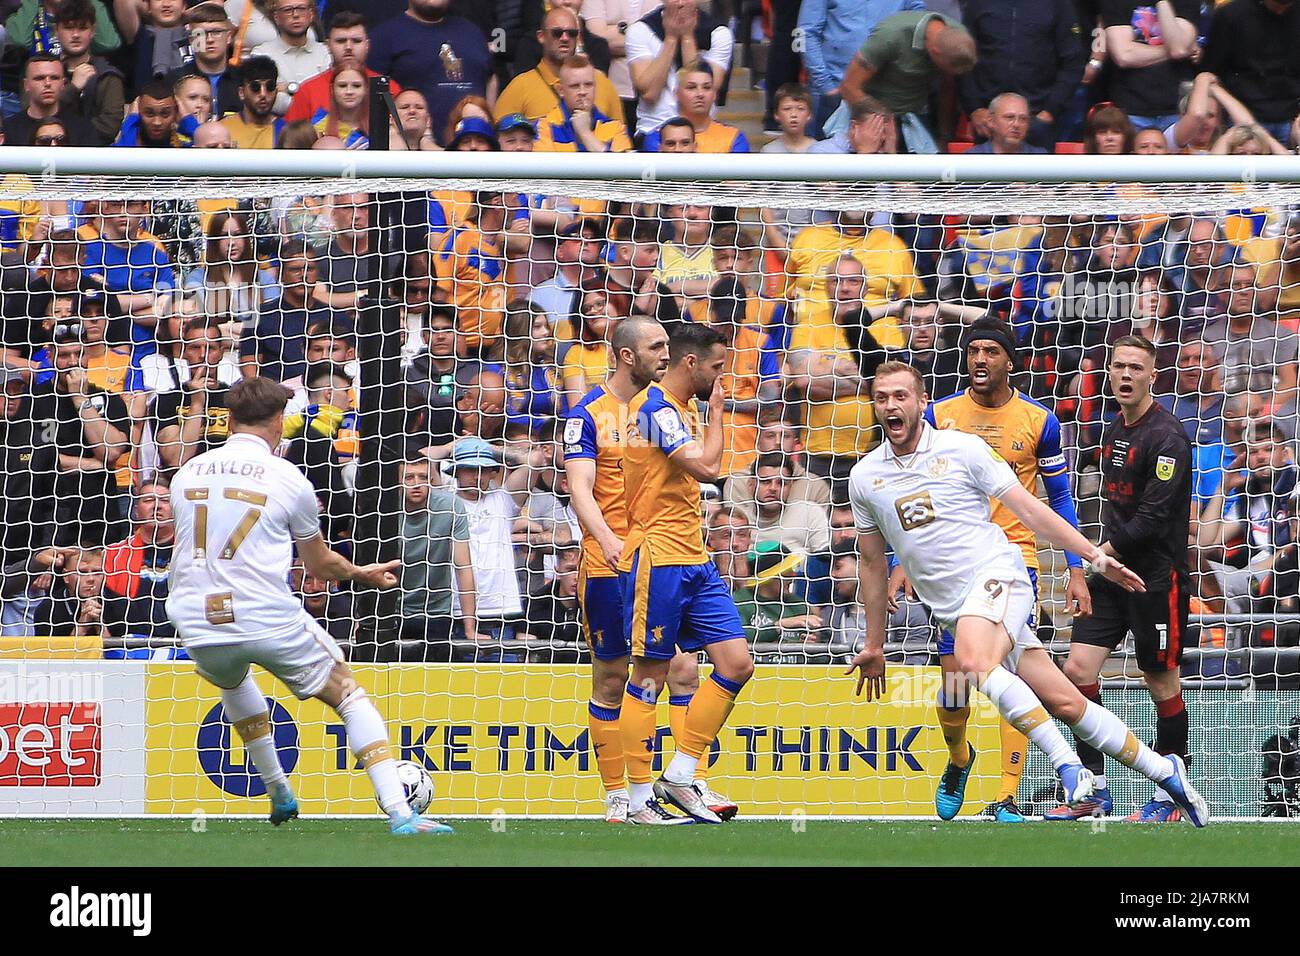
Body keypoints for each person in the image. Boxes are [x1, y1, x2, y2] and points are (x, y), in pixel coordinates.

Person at [845, 360, 1208, 826]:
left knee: (974, 664)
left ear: (921, 403)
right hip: (952, 609)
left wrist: (1093, 559)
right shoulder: (865, 477)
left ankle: (1068, 770)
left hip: (1001, 575)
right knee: (1057, 702)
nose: (891, 406)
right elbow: (874, 563)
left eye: (900, 396)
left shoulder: (964, 450)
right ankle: (1167, 772)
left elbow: (1035, 512)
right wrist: (874, 643)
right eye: (882, 398)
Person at [166, 376, 453, 835]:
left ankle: (278, 790)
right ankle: (401, 813)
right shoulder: (287, 479)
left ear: (230, 420)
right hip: (263, 611)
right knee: (348, 694)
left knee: (233, 679)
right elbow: (319, 565)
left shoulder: (186, 474)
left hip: (195, 616)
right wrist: (363, 573)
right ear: (280, 421)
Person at [895, 317, 1090, 823]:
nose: (980, 359)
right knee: (956, 685)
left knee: (1008, 673)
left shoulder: (1039, 421)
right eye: (973, 350)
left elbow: (1060, 497)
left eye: (991, 351)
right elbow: (910, 488)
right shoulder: (938, 415)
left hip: (1013, 559)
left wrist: (1075, 567)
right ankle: (959, 758)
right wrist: (900, 560)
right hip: (951, 561)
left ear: (1010, 360)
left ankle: (1006, 793)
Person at [564, 316, 732, 824]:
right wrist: (610, 541)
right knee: (614, 679)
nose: (665, 353)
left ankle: (687, 781)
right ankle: (621, 793)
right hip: (608, 561)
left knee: (682, 666)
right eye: (655, 345)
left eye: (667, 344)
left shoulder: (671, 409)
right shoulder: (588, 414)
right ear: (626, 356)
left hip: (658, 557)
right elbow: (579, 487)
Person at [1047, 336, 1196, 823]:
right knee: (1077, 673)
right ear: (1109, 373)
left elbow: (1153, 519)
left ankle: (1171, 796)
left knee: (1160, 681)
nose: (1126, 375)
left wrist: (1094, 556)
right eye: (1119, 366)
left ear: (1153, 375)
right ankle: (1094, 788)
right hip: (1112, 575)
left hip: (1155, 579)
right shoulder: (1114, 428)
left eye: (1136, 367)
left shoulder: (1168, 437)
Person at [617, 321, 755, 824]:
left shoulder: (682, 408)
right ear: (692, 363)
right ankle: (635, 802)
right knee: (650, 676)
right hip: (659, 559)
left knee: (737, 663)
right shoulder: (653, 409)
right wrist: (719, 415)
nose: (723, 378)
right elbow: (707, 468)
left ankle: (680, 775)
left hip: (694, 559)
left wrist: (708, 411)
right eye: (718, 367)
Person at [836, 8, 976, 152]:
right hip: (870, 113)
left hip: (915, 116)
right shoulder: (891, 35)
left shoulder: (959, 39)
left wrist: (944, 136)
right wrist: (880, 123)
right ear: (935, 51)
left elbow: (949, 87)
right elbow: (849, 87)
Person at [959, 0, 1084, 149]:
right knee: (988, 173)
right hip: (989, 121)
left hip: (1038, 119)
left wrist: (1050, 111)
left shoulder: (1058, 4)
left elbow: (1073, 61)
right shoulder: (977, 3)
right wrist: (974, 109)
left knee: (1038, 173)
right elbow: (962, 58)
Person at [367, 0, 493, 146]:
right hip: (415, 154)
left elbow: (491, 78)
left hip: (473, 148)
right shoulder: (384, 37)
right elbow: (372, 97)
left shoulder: (473, 32)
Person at [797, 0, 924, 137]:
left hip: (887, 90)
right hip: (834, 88)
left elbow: (918, 24)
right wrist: (825, 85)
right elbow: (805, 33)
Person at [396, 456, 478, 655]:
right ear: (397, 481)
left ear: (431, 480)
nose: (416, 484)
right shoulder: (384, 508)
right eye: (409, 477)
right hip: (392, 610)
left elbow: (463, 567)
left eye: (422, 477)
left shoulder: (450, 506)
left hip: (436, 610)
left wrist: (470, 628)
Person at [495, 6, 622, 123]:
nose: (565, 38)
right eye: (557, 33)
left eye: (572, 33)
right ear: (541, 36)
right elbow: (502, 137)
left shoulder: (601, 83)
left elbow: (620, 136)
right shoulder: (520, 87)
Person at [625, 0, 733, 137]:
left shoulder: (719, 33)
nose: (680, 3)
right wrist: (671, 38)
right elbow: (649, 94)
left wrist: (688, 37)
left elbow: (706, 94)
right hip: (654, 129)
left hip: (701, 131)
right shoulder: (640, 30)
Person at [285, 11, 400, 124]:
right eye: (341, 41)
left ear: (367, 45)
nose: (348, 47)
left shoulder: (389, 89)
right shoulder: (307, 92)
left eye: (356, 41)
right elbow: (292, 140)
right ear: (328, 45)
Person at [1102, 1, 1200, 132]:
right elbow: (1124, 55)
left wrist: (1161, 2)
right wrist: (1179, 50)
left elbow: (1178, 48)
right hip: (1131, 108)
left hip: (1176, 109)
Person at [53, 0, 126, 145]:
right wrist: (73, 88)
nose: (75, 35)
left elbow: (109, 127)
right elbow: (36, 116)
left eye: (82, 28)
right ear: (56, 31)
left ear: (92, 31)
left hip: (96, 160)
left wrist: (63, 136)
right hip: (48, 157)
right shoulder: (44, 71)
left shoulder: (109, 75)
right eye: (68, 28)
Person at [534, 54, 633, 153]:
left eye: (588, 85)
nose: (583, 92)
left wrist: (585, 133)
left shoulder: (616, 128)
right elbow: (546, 168)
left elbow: (619, 168)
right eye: (575, 86)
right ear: (561, 90)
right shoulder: (543, 127)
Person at [640, 62, 748, 152]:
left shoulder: (733, 137)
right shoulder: (657, 137)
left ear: (714, 94)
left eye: (706, 87)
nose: (700, 94)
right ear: (676, 93)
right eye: (691, 87)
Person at [7, 53, 98, 146]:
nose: (47, 83)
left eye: (54, 78)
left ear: (63, 84)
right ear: (26, 85)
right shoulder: (8, 130)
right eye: (39, 78)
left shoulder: (83, 129)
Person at [250, 0, 331, 98]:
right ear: (276, 17)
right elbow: (268, 99)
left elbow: (328, 94)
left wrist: (288, 88)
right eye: (288, 10)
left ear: (311, 14)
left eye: (301, 9)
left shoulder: (326, 52)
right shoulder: (261, 54)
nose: (295, 15)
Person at [220, 55, 286, 149]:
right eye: (255, 87)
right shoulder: (223, 129)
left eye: (269, 86)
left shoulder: (286, 131)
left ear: (276, 91)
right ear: (241, 92)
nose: (263, 94)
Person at [967, 93, 1048, 155]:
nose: (1016, 124)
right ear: (991, 121)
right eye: (1009, 117)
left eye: (1023, 119)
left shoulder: (1041, 157)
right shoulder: (972, 158)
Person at [760, 83, 817, 154]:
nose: (793, 114)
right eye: (787, 109)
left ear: (809, 115)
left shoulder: (819, 150)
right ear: (776, 114)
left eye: (800, 109)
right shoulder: (769, 151)